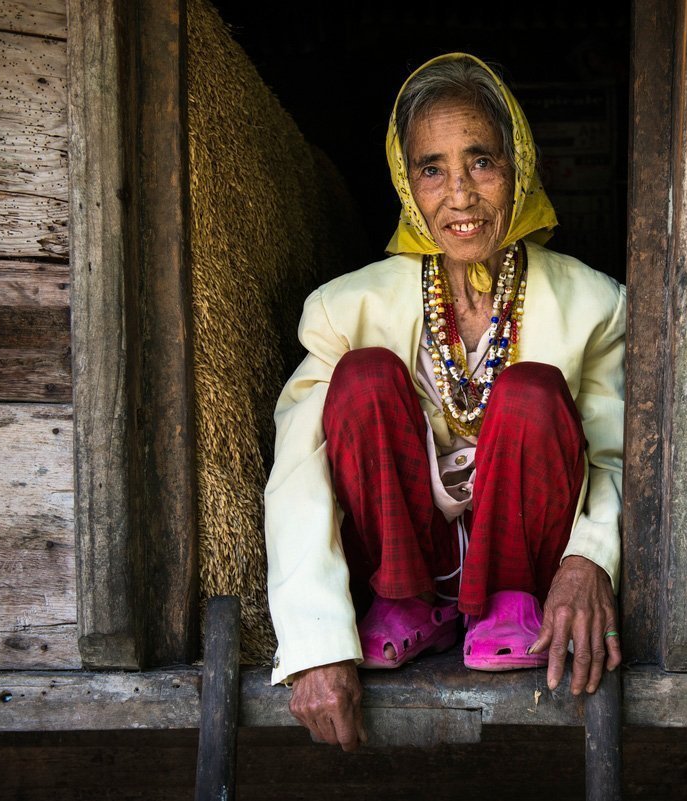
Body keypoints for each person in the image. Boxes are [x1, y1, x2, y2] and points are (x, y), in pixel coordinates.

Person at [264, 53, 625, 751]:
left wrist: (590, 560)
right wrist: (314, 638)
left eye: (481, 161)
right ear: (406, 182)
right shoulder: (348, 306)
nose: (458, 194)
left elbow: (615, 452)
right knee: (363, 377)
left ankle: (508, 598)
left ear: (518, 165)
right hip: (405, 557)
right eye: (432, 168)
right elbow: (298, 470)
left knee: (531, 390)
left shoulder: (594, 305)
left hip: (533, 565)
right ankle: (404, 601)